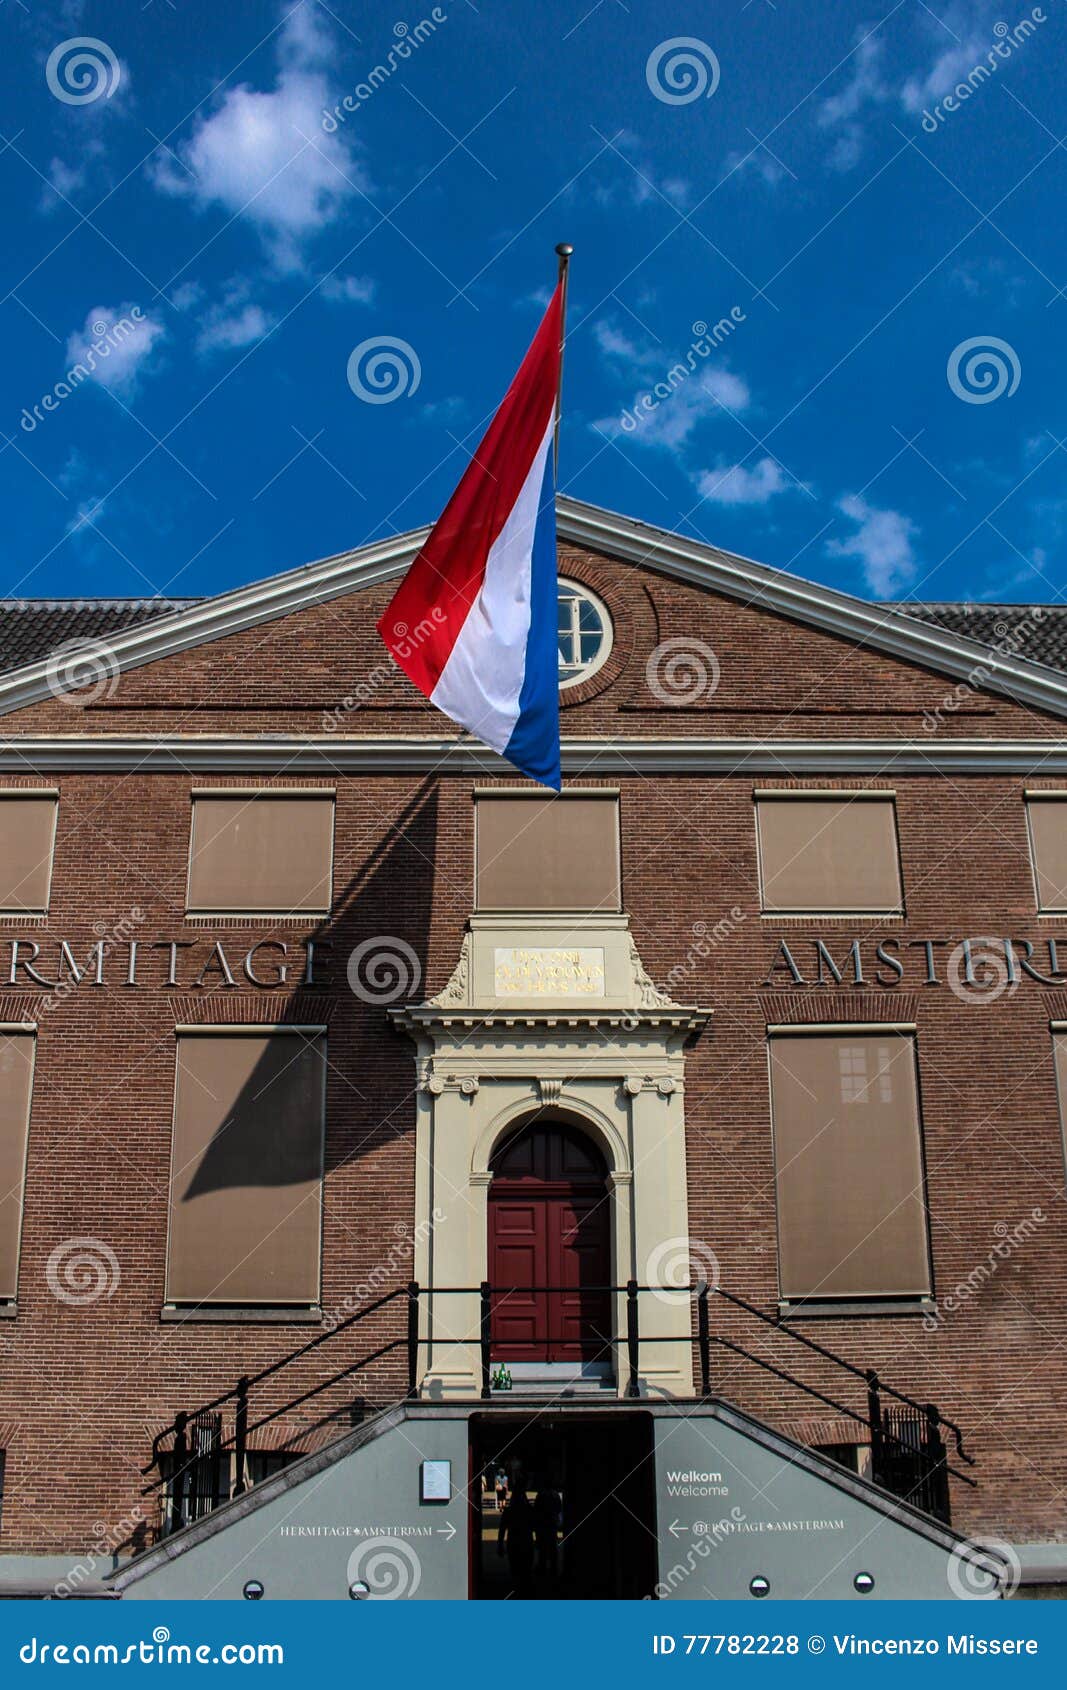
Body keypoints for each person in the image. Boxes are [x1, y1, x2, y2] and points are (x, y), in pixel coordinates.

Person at [497, 1487, 535, 1594]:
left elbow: (502, 1529)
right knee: (526, 1571)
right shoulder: (529, 1510)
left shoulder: (508, 1511)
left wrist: (500, 1545)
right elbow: (535, 1525)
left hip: (513, 1542)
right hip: (526, 1541)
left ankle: (517, 1592)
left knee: (515, 1570)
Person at [533, 1483, 562, 1576]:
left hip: (542, 1524)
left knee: (543, 1549)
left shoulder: (540, 1495)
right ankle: (553, 1569)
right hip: (552, 1524)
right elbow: (559, 1508)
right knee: (553, 1548)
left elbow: (536, 1509)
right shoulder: (555, 1494)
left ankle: (542, 1568)